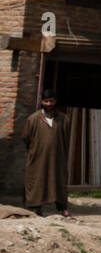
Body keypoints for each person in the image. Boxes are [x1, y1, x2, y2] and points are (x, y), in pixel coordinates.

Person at [21, 89, 71, 217]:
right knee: (37, 180)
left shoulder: (63, 119)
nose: (49, 104)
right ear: (42, 102)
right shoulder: (33, 119)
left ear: (55, 101)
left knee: (59, 181)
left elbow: (66, 138)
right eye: (46, 101)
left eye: (51, 101)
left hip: (57, 158)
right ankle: (36, 208)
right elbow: (26, 138)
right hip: (38, 157)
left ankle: (62, 208)